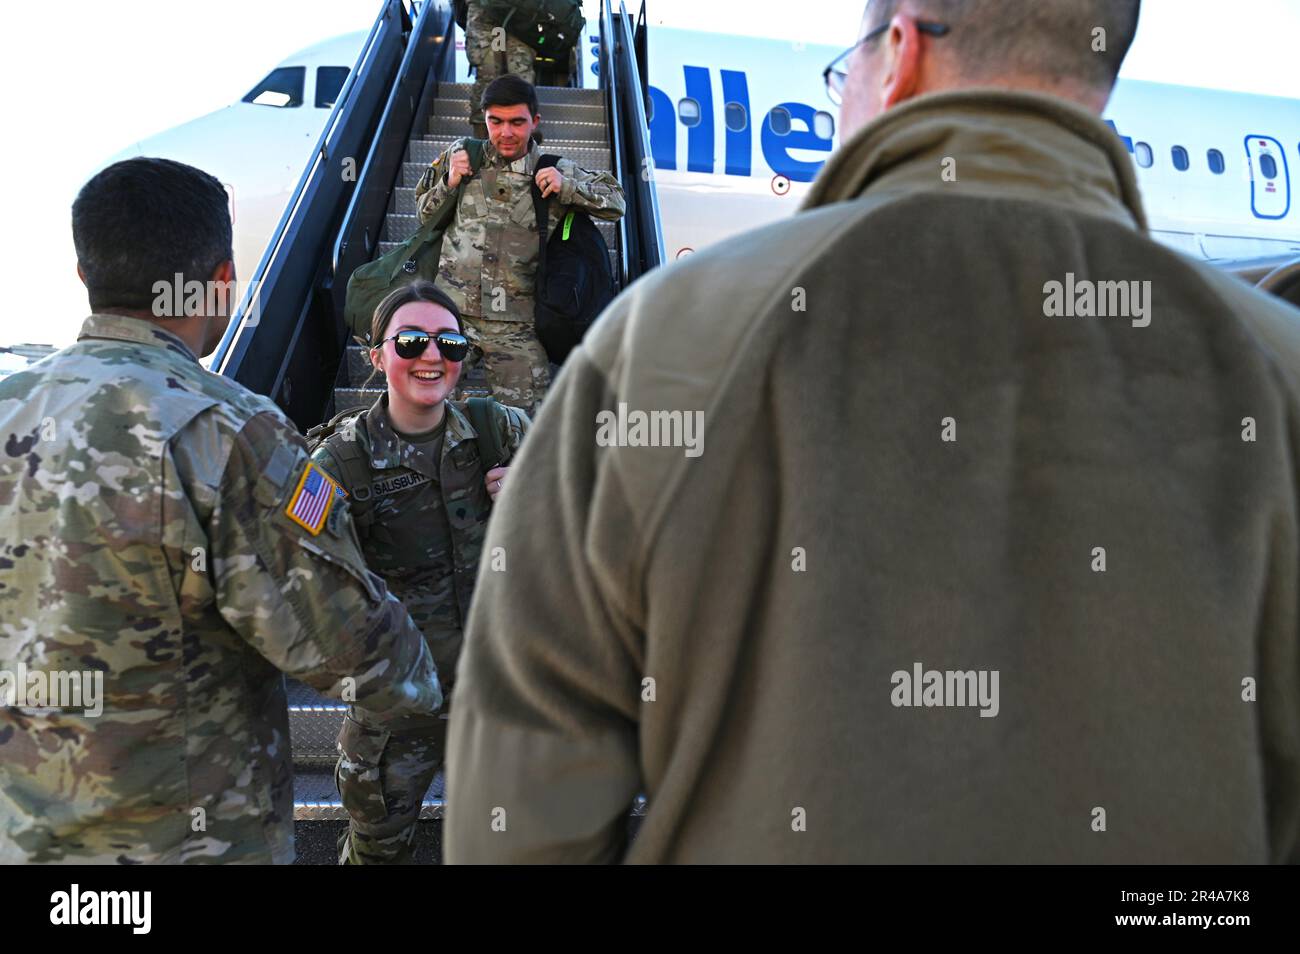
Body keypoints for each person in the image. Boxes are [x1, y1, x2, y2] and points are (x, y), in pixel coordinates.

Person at [444, 0, 1300, 863]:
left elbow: (519, 818)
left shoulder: (656, 349)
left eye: (837, 74)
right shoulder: (1274, 374)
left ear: (899, 53)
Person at [0, 158, 442, 864]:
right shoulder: (227, 432)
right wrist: (429, 674)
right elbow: (350, 647)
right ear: (222, 280)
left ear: (85, 276)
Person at [310, 280, 529, 864]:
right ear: (377, 356)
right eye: (410, 341)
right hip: (395, 715)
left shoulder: (501, 431)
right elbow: (296, 584)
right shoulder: (337, 462)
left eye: (449, 343)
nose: (432, 356)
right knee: (378, 854)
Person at [413, 74, 625, 418]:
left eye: (517, 122)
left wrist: (567, 186)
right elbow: (424, 216)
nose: (506, 133)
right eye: (495, 121)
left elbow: (617, 202)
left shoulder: (553, 168)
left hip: (516, 326)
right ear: (485, 119)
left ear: (535, 121)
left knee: (524, 429)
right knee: (421, 412)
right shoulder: (462, 156)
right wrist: (449, 183)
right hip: (451, 318)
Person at [464, 0, 537, 140]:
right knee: (490, 75)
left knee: (518, 79)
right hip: (486, 11)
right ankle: (482, 145)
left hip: (522, 11)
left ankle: (524, 144)